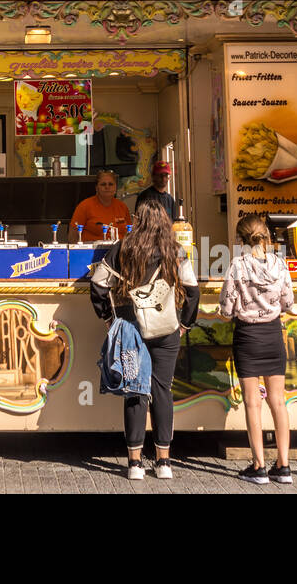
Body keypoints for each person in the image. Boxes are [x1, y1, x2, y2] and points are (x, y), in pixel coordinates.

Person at [90, 198, 199, 480]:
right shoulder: (175, 250)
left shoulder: (123, 248)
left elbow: (99, 285)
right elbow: (193, 291)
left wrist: (109, 320)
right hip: (167, 329)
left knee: (136, 391)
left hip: (131, 328)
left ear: (137, 220)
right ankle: (164, 462)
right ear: (165, 222)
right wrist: (184, 324)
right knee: (162, 391)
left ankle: (135, 463)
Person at [220, 214, 295, 485]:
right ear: (266, 236)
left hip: (248, 337)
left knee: (253, 403)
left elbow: (227, 310)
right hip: (273, 335)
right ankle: (284, 466)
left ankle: (259, 466)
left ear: (240, 239)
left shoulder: (237, 267)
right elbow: (288, 302)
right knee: (278, 401)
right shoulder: (280, 264)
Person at [67, 170, 133, 242]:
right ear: (96, 188)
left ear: (115, 188)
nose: (107, 187)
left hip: (119, 250)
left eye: (110, 184)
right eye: (103, 184)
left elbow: (130, 234)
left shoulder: (122, 206)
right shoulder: (85, 206)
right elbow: (72, 236)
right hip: (93, 252)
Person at [134, 160, 180, 225]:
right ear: (153, 176)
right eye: (160, 175)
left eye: (166, 175)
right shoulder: (144, 196)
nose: (163, 179)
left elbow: (173, 223)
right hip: (149, 234)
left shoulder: (170, 199)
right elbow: (138, 221)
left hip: (167, 234)